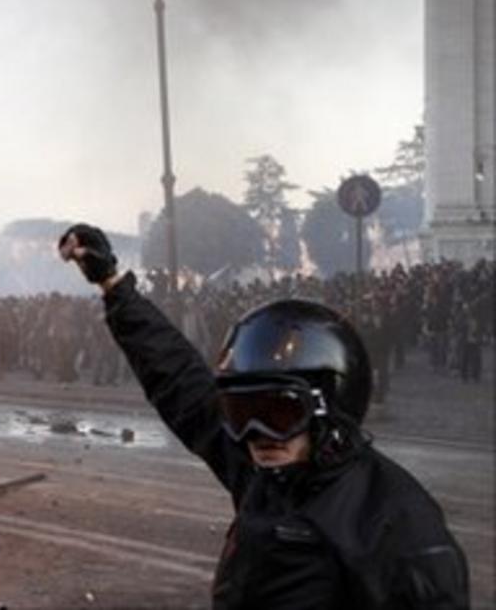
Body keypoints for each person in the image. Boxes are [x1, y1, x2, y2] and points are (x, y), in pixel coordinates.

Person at [58, 223, 469, 609]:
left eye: (278, 411)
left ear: (328, 409)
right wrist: (113, 286)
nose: (257, 434)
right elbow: (180, 380)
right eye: (241, 412)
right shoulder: (265, 473)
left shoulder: (399, 522)